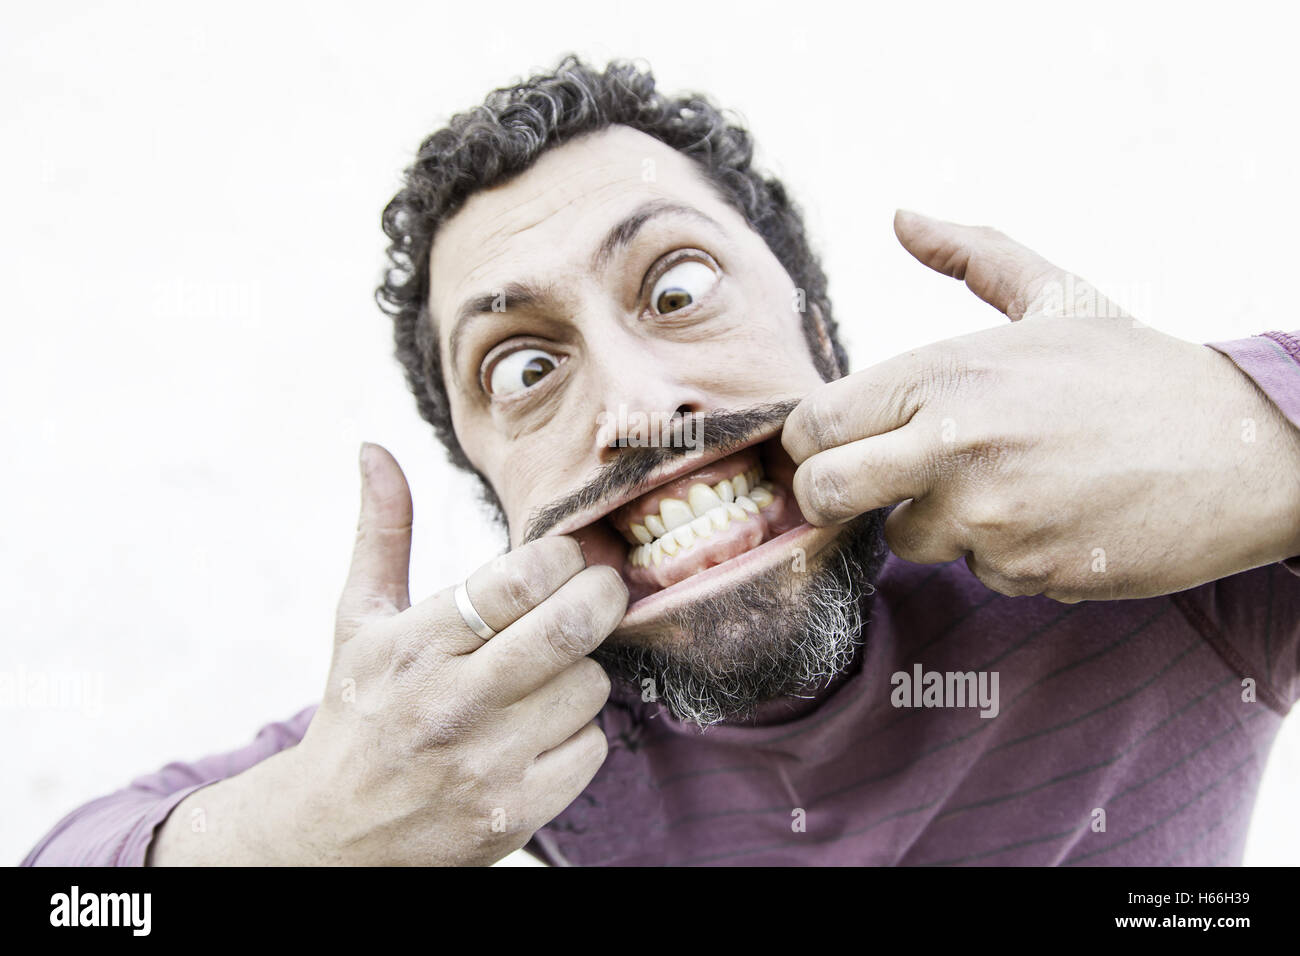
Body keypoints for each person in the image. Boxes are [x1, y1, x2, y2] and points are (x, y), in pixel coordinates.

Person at [24, 55, 1300, 867]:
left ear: (817, 329)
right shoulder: (479, 749)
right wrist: (291, 836)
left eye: (677, 286)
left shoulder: (1159, 557)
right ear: (497, 494)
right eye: (524, 367)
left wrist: (1260, 438)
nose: (634, 409)